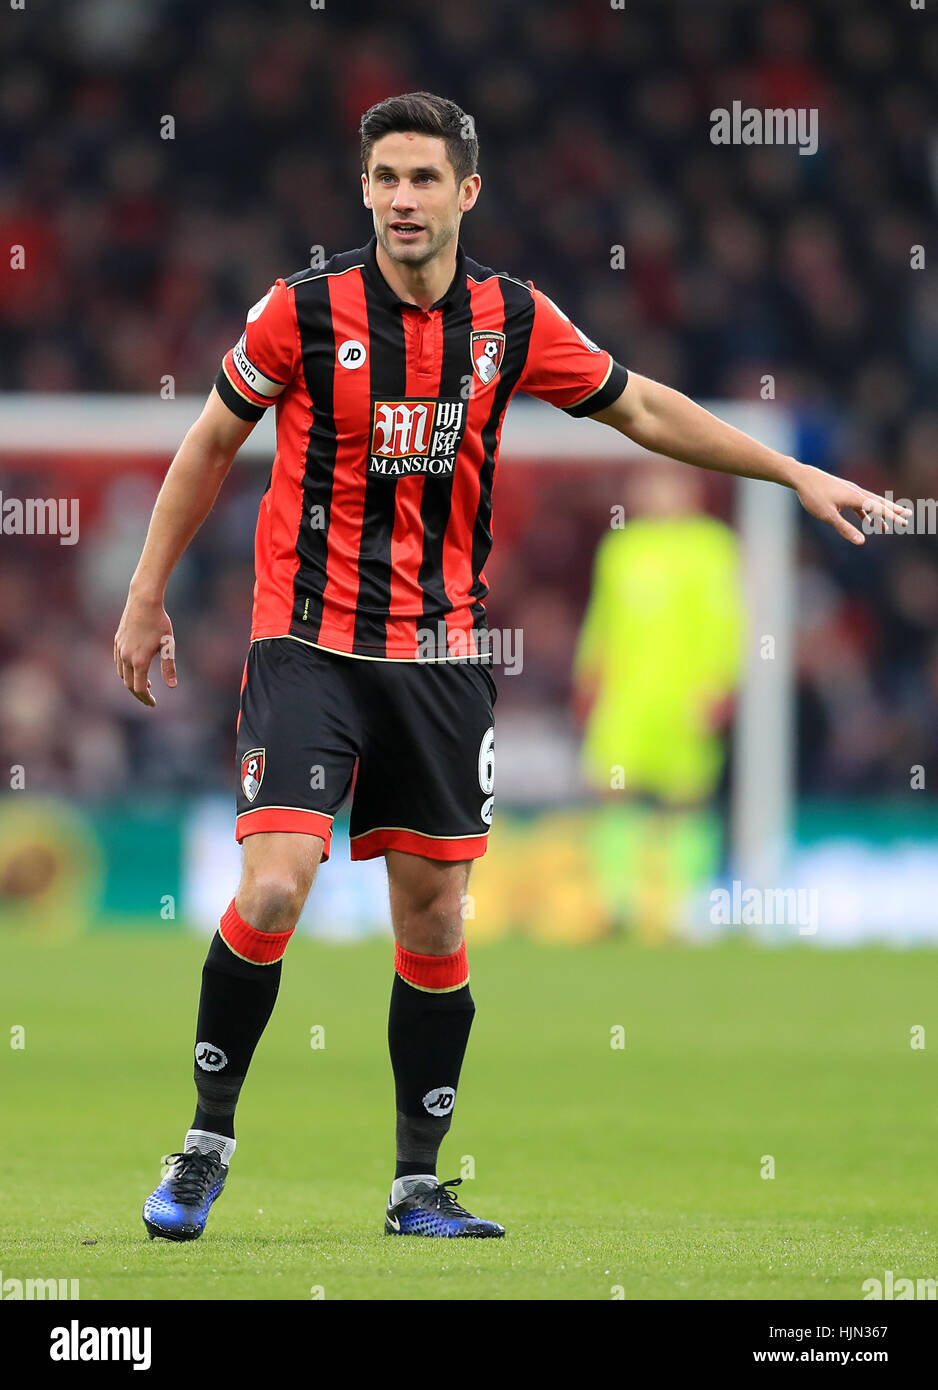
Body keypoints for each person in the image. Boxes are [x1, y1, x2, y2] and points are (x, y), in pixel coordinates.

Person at [113, 91, 909, 1242]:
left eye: (423, 178)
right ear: (364, 191)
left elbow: (638, 406)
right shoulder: (302, 311)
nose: (400, 198)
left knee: (434, 922)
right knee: (275, 884)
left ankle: (416, 1183)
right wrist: (145, 598)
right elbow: (209, 441)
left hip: (441, 660)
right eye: (383, 177)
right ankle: (203, 1143)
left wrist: (790, 474)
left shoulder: (511, 320)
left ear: (465, 193)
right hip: (310, 645)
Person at [574, 463, 743, 942]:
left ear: (690, 491)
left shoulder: (712, 547)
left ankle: (683, 907)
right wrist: (588, 676)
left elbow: (726, 621)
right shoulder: (621, 547)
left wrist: (719, 684)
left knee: (686, 799)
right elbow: (602, 619)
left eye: (667, 484)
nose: (656, 493)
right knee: (613, 793)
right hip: (626, 697)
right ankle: (616, 902)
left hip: (685, 697)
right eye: (648, 483)